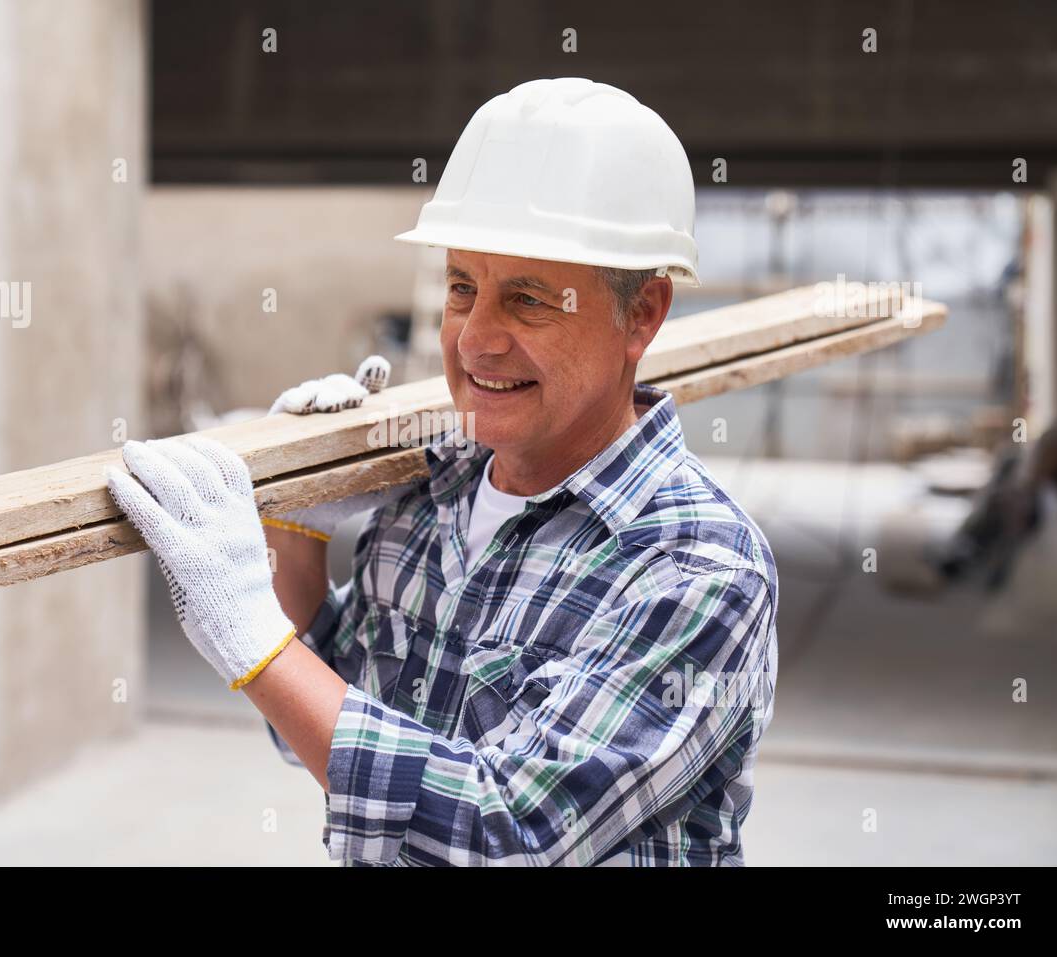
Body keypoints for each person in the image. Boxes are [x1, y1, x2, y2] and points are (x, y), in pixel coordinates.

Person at [107, 78, 779, 866]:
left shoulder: (696, 567)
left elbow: (504, 835)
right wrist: (293, 523)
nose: (474, 340)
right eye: (463, 287)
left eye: (527, 299)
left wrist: (252, 638)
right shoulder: (432, 494)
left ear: (643, 314)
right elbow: (324, 728)